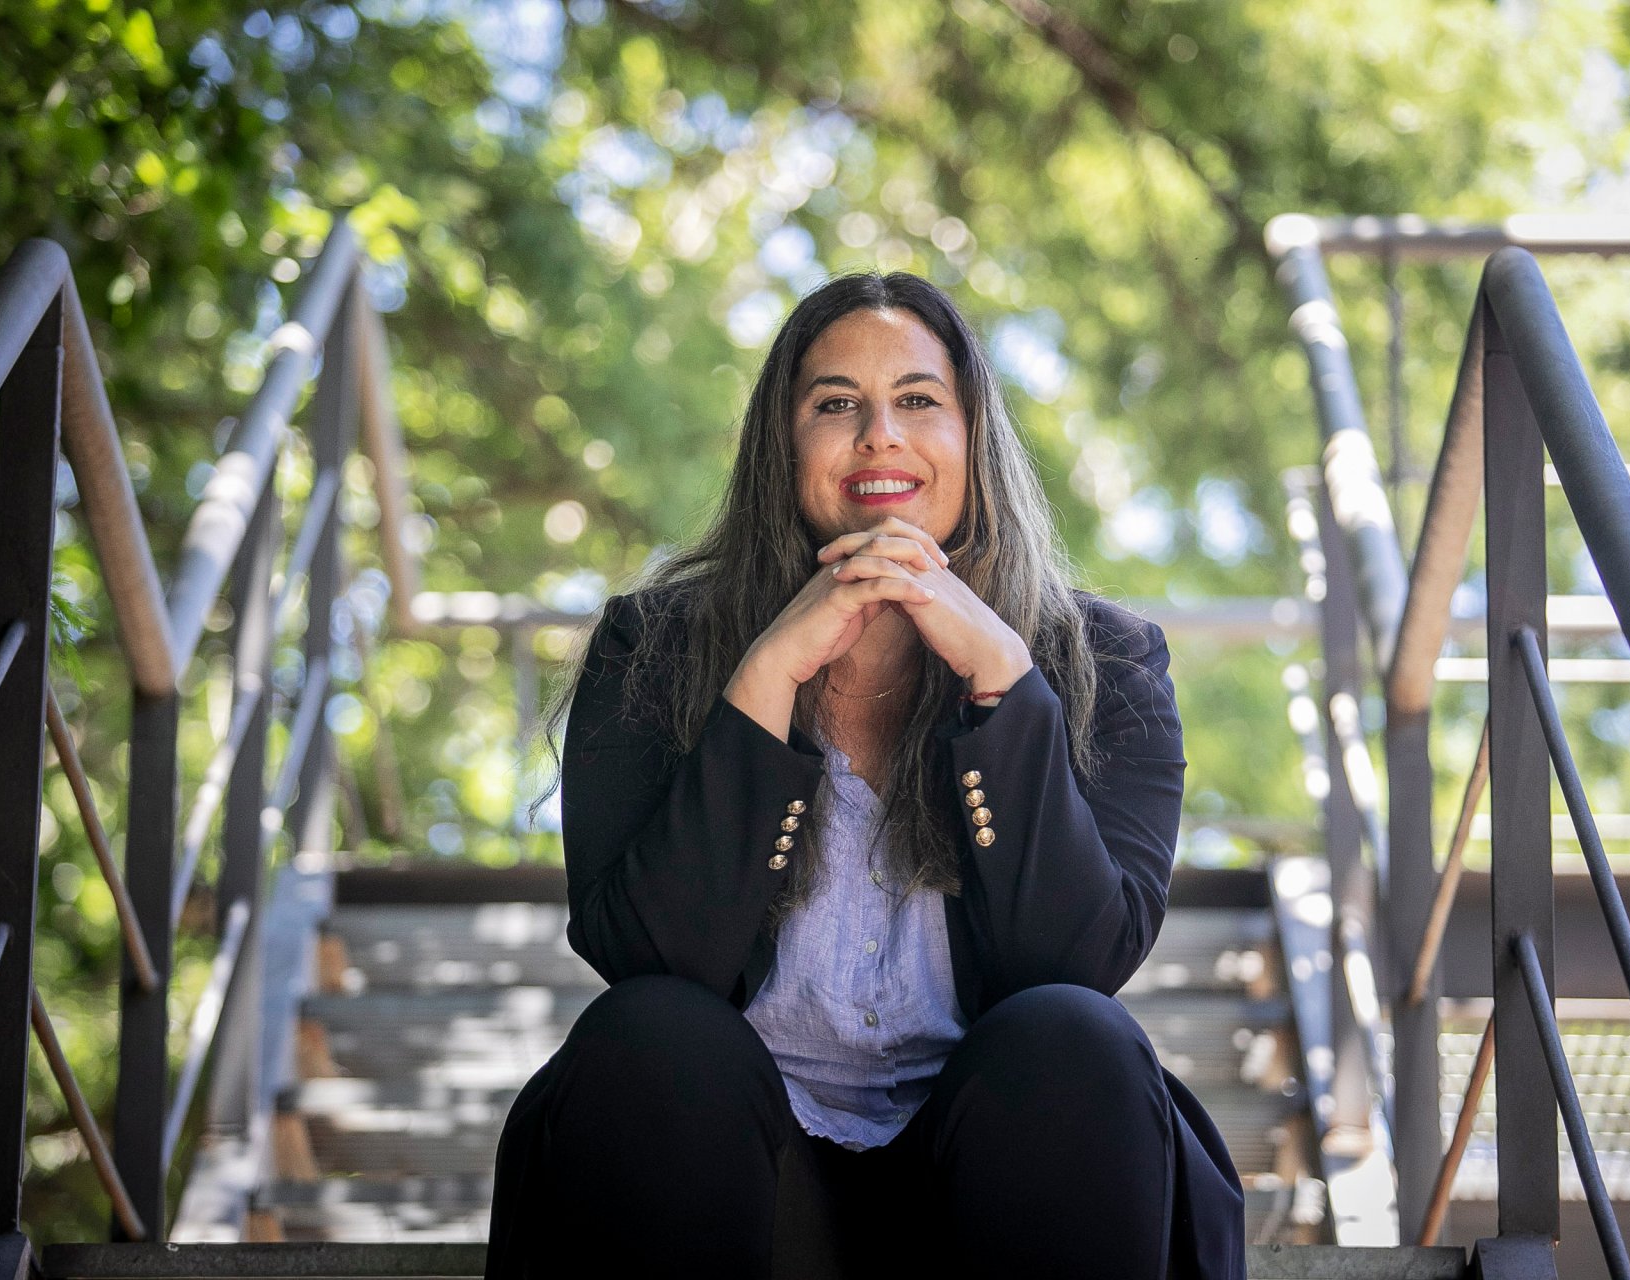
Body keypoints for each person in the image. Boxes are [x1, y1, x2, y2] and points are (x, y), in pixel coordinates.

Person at [485, 271, 1245, 1278]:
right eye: (836, 403)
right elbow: (650, 954)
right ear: (783, 446)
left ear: (974, 438)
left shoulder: (1105, 663)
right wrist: (765, 673)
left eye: (919, 400)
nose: (879, 433)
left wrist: (1003, 685)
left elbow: (1078, 954)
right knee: (651, 1034)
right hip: (729, 1178)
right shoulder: (654, 646)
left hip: (1005, 1177)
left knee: (1076, 1033)